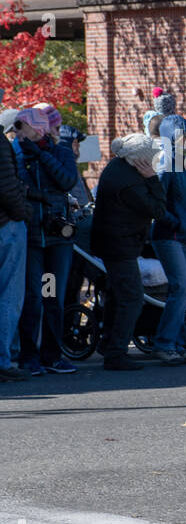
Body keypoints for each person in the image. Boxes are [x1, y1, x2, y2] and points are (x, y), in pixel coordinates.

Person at [91, 134, 168, 371]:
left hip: (112, 242)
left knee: (117, 294)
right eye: (152, 158)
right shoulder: (131, 182)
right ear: (141, 162)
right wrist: (153, 179)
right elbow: (159, 210)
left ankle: (109, 344)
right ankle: (116, 353)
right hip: (120, 244)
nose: (155, 161)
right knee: (132, 298)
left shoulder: (116, 166)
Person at [12, 108, 79, 376]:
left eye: (22, 126)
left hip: (56, 240)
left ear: (37, 128)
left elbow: (66, 181)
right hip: (31, 238)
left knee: (52, 296)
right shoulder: (14, 154)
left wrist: (40, 154)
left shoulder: (60, 152)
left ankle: (52, 355)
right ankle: (29, 355)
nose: (17, 132)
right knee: (32, 298)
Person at [151, 114, 186, 364]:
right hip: (169, 235)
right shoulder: (167, 162)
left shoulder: (184, 162)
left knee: (183, 289)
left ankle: (177, 342)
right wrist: (175, 222)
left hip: (183, 236)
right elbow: (157, 201)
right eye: (185, 134)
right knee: (180, 287)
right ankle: (164, 343)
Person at [0, 130, 29, 381]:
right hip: (5, 225)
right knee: (9, 294)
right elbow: (7, 186)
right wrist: (23, 212)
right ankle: (4, 359)